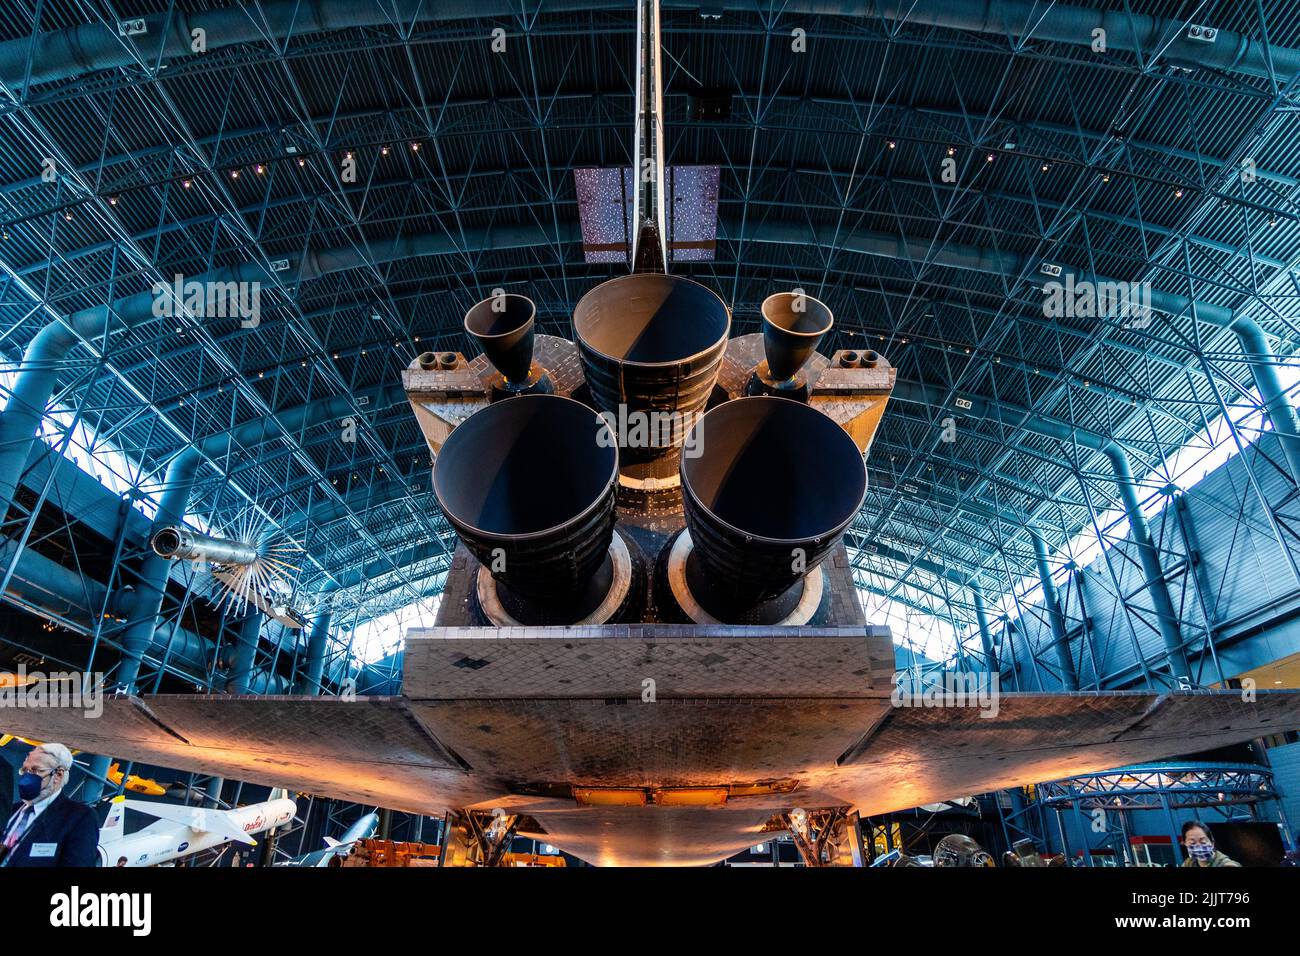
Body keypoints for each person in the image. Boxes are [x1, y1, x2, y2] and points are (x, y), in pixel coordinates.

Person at [1, 743, 99, 867]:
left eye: (36, 770)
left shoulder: (79, 818)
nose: (27, 776)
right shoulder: (11, 810)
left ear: (58, 775)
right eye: (25, 770)